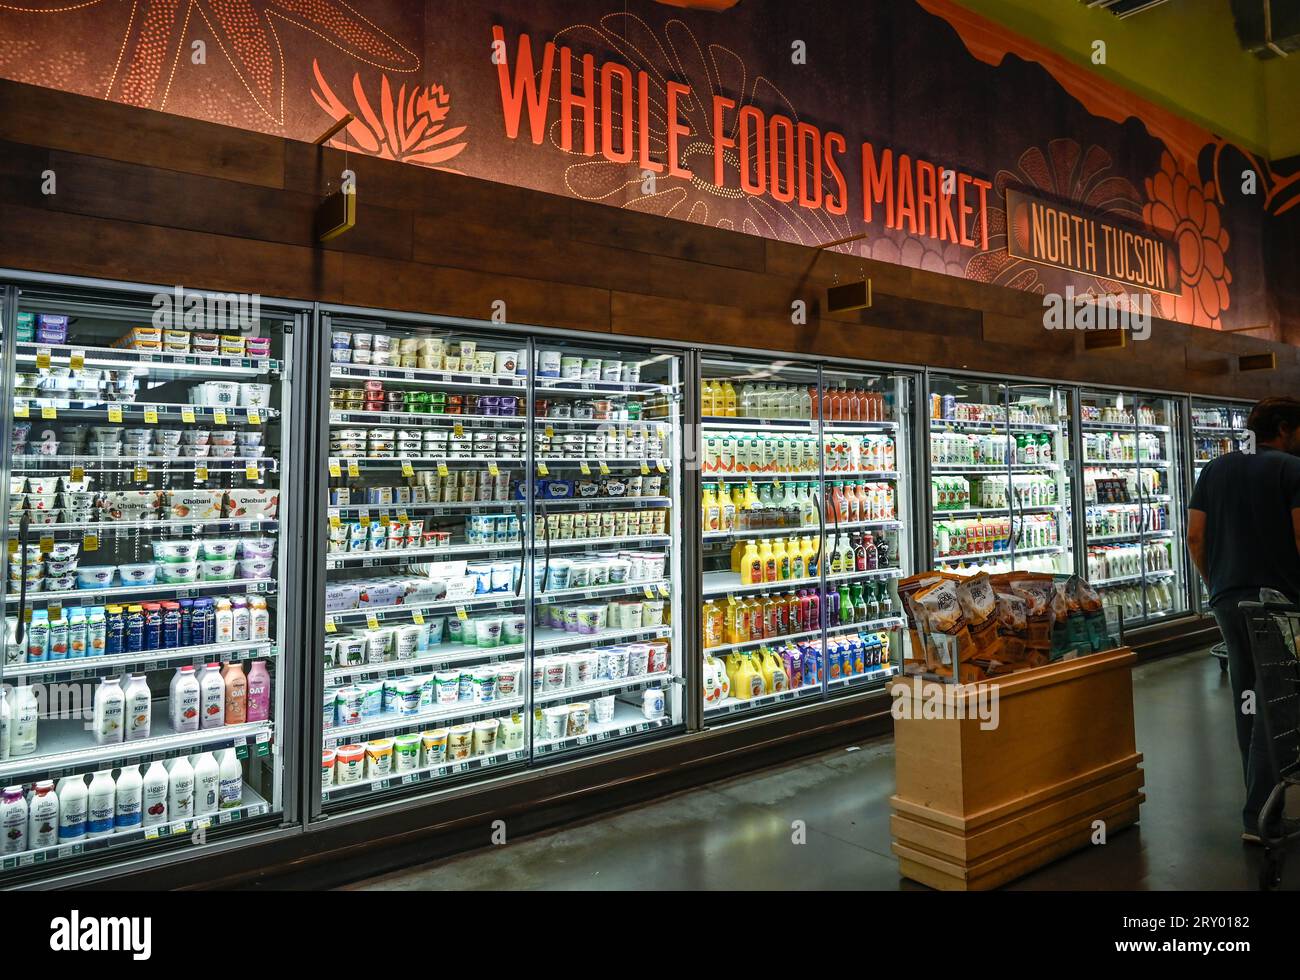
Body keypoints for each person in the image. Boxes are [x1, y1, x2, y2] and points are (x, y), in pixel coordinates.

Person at [1187, 396, 1300, 843]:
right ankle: (1260, 816)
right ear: (1285, 427)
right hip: (1279, 604)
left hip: (1228, 599)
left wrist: (1217, 586)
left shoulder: (1214, 470)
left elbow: (1196, 536)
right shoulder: (1291, 470)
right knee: (1278, 701)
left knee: (1248, 698)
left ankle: (1259, 800)